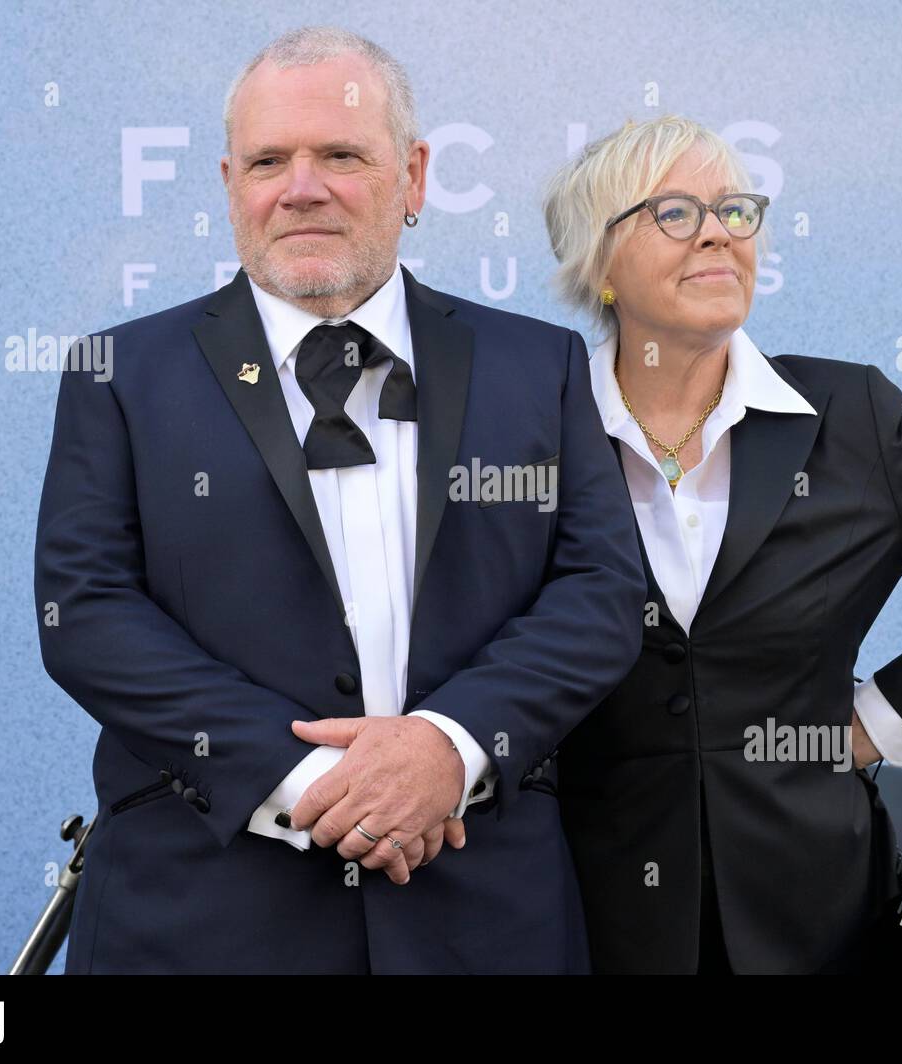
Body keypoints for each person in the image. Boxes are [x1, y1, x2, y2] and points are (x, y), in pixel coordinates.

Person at [34, 26, 645, 974]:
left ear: (413, 176)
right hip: (197, 921)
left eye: (342, 156)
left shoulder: (540, 368)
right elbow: (86, 613)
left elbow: (601, 591)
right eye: (270, 160)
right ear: (230, 182)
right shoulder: (119, 375)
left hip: (483, 921)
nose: (302, 186)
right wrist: (318, 782)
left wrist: (447, 750)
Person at [541, 114, 902, 974]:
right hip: (590, 912)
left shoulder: (849, 419)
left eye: (735, 209)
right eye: (677, 213)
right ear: (598, 262)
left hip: (822, 914)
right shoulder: (536, 430)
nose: (720, 234)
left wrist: (884, 720)